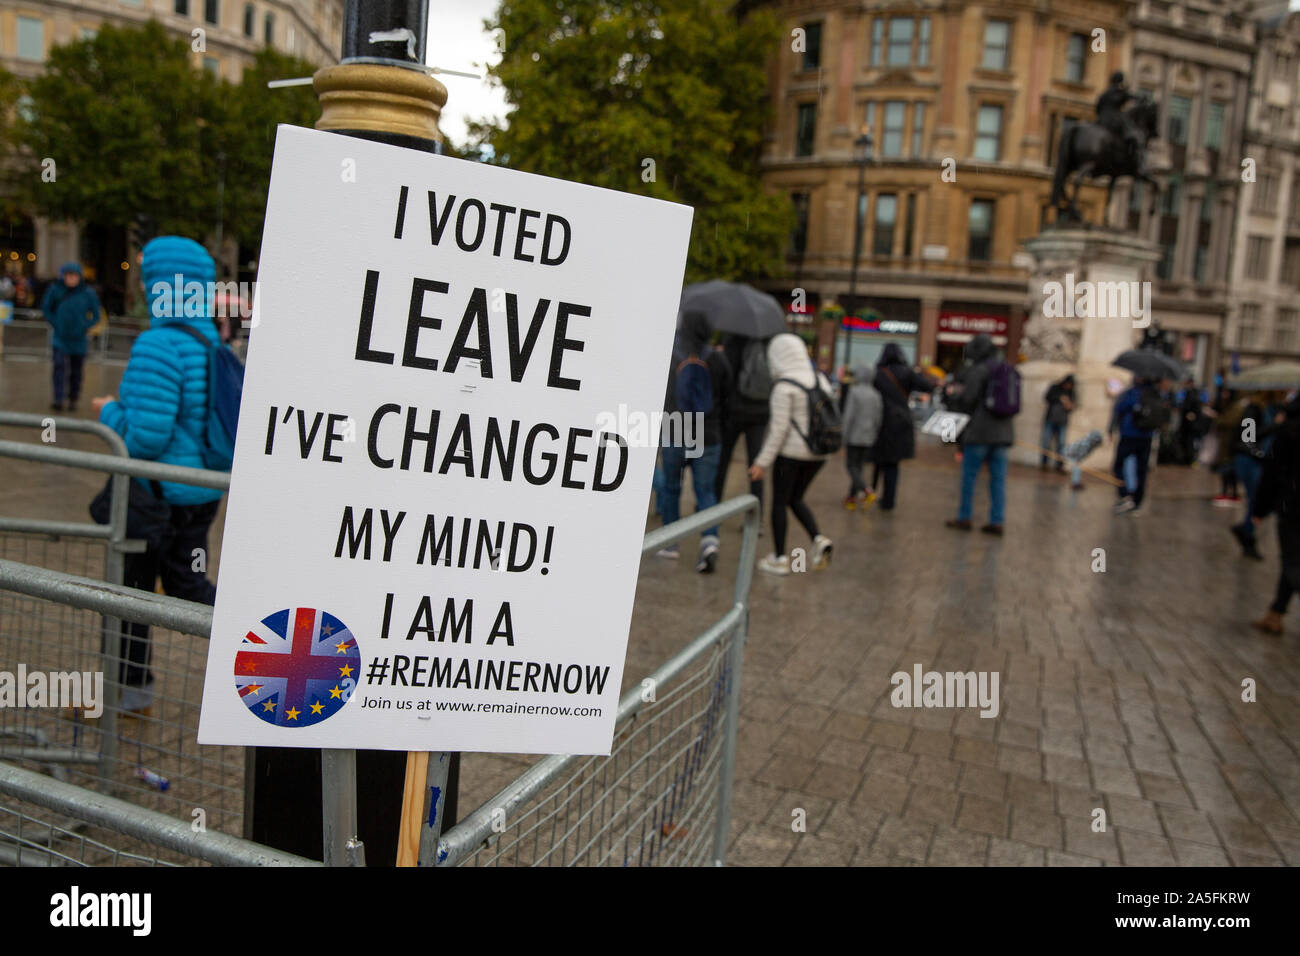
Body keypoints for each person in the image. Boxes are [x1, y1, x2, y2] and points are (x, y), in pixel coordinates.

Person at [91, 237, 227, 713]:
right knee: (189, 582)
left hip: (154, 497)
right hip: (199, 495)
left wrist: (109, 412)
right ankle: (260, 638)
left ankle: (128, 691)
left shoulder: (159, 343)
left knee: (130, 594)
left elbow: (145, 437)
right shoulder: (211, 341)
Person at [748, 333, 833, 576]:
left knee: (779, 503)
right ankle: (818, 539)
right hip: (818, 455)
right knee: (795, 499)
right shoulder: (821, 380)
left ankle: (781, 558)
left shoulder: (784, 386)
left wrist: (761, 462)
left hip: (791, 455)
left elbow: (779, 430)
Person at [656, 311, 730, 574]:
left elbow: (662, 397)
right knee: (705, 491)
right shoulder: (718, 359)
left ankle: (671, 543)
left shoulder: (670, 356)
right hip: (708, 437)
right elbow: (725, 400)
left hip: (675, 432)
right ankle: (709, 542)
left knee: (671, 488)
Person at [943, 333, 1017, 535]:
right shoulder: (1007, 369)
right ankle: (997, 520)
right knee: (998, 480)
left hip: (979, 433)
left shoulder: (979, 370)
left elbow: (968, 400)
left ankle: (964, 517)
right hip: (1003, 434)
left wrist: (954, 396)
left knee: (969, 477)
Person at [1251, 393, 1299, 635]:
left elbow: (1272, 471)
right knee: (1291, 562)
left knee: (1292, 563)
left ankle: (1275, 614)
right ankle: (1275, 614)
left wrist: (1260, 509)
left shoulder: (1288, 428)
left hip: (1292, 506)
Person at [870, 343, 935, 511]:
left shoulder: (878, 373)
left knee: (879, 459)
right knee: (893, 463)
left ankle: (871, 492)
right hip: (900, 422)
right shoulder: (907, 372)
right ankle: (888, 500)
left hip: (880, 421)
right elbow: (928, 386)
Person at [713, 334, 770, 518]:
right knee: (755, 464)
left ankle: (712, 510)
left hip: (734, 411)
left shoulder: (733, 340)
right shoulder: (767, 341)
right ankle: (756, 516)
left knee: (722, 461)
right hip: (760, 413)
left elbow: (725, 379)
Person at [41, 262, 102, 412]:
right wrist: (55, 322)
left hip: (79, 339)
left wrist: (85, 326)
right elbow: (46, 308)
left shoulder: (88, 293)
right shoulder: (55, 290)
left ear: (79, 277)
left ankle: (73, 398)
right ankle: (58, 398)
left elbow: (96, 315)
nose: (71, 279)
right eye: (68, 275)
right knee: (59, 366)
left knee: (76, 371)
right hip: (60, 337)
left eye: (74, 275)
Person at [1229, 392, 1281, 561]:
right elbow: (1248, 437)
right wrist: (1275, 424)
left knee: (1259, 501)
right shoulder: (1253, 409)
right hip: (1248, 460)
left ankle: (1246, 530)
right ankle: (1248, 537)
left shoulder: (1271, 410)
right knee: (1257, 501)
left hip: (1257, 461)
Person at [1109, 375, 1165, 515]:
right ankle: (1137, 502)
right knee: (1142, 470)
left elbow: (1119, 408)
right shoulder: (1156, 394)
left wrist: (1112, 428)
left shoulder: (1132, 393)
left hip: (1129, 434)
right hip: (1146, 436)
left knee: (1118, 466)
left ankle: (1125, 495)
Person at [841, 364, 882, 508]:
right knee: (858, 468)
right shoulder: (876, 394)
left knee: (851, 466)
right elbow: (878, 418)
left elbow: (849, 416)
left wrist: (844, 436)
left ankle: (866, 490)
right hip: (868, 436)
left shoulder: (854, 392)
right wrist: (874, 434)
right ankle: (852, 498)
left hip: (854, 436)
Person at [1041, 374, 1076, 471]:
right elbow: (1047, 398)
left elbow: (1072, 406)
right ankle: (1044, 463)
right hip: (1050, 419)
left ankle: (1059, 465)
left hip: (1062, 422)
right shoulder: (1055, 388)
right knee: (1046, 442)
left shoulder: (1071, 392)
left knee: (1061, 444)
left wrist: (1068, 404)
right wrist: (1060, 398)